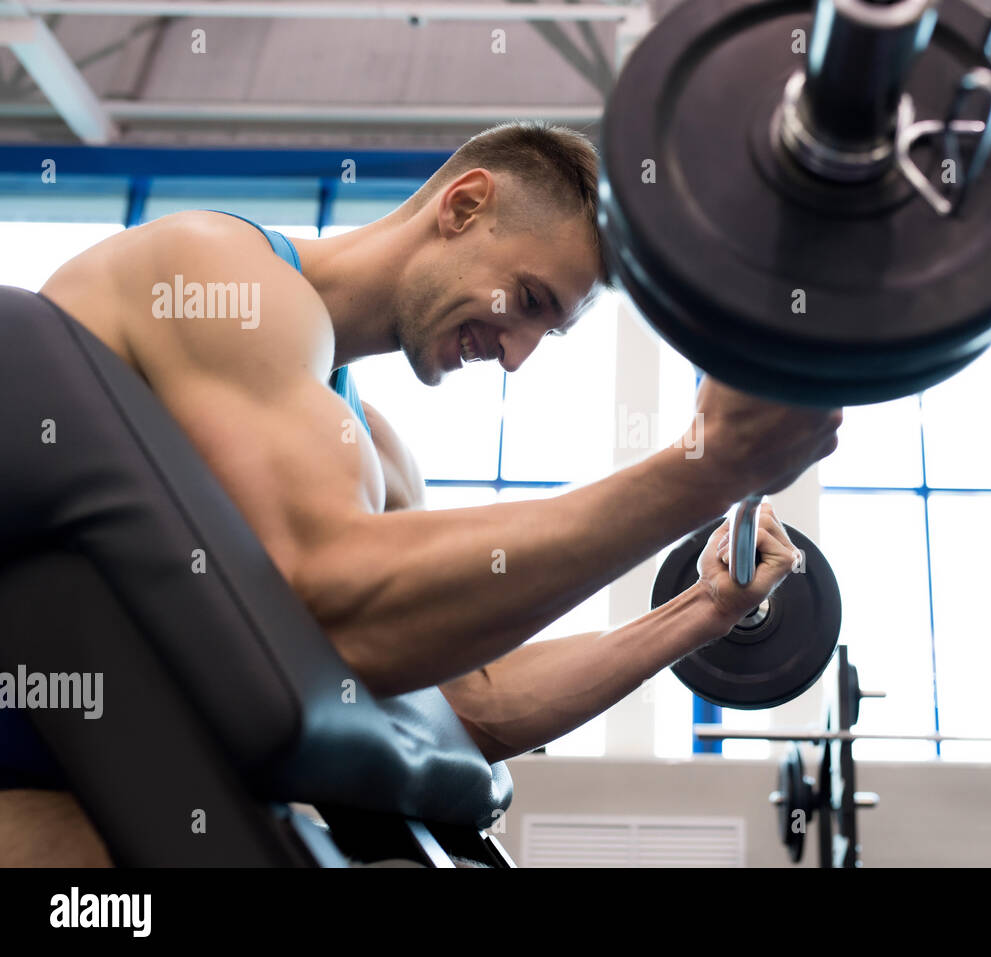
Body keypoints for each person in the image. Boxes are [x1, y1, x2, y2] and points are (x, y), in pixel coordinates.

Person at [0, 122, 841, 865]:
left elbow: (471, 705)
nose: (516, 356)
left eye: (547, 333)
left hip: (127, 789)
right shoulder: (216, 275)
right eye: (532, 301)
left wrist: (699, 613)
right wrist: (705, 471)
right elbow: (327, 606)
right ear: (464, 205)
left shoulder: (379, 453)